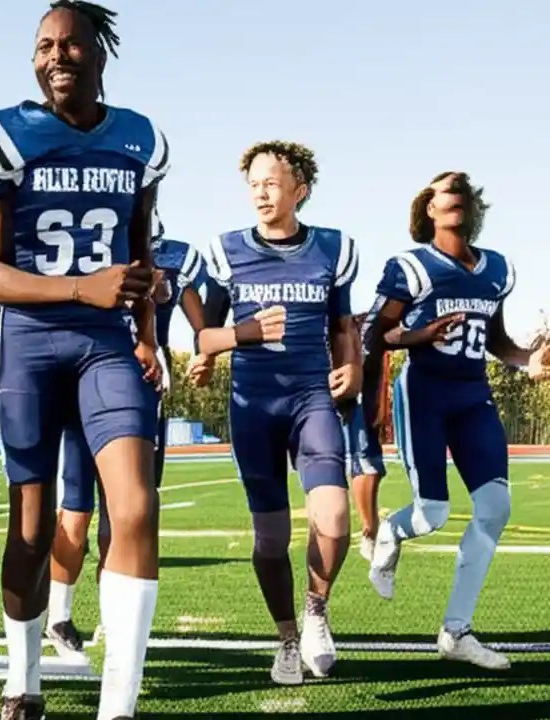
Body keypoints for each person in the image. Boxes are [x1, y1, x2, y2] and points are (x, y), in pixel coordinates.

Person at [0, 2, 169, 718]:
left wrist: (147, 326)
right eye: (44, 45)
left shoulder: (139, 137)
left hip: (107, 345)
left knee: (135, 507)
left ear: (101, 54)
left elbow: (140, 247)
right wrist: (83, 285)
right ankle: (22, 680)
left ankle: (120, 706)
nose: (56, 56)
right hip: (28, 343)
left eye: (71, 44)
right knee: (31, 526)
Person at [364, 171, 549, 670]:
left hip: (472, 396)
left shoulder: (495, 270)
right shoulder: (412, 267)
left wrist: (526, 360)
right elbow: (377, 334)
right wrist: (420, 336)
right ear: (429, 207)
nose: (456, 197)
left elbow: (496, 340)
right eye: (447, 190)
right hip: (424, 392)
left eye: (463, 191)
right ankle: (390, 532)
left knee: (495, 506)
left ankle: (457, 631)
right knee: (433, 515)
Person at [197, 140, 360, 685]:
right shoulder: (227, 250)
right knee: (270, 539)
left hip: (310, 397)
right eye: (254, 184)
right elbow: (205, 333)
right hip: (253, 404)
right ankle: (287, 637)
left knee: (334, 515)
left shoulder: (332, 248)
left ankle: (317, 609)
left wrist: (352, 367)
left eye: (272, 182)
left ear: (300, 190)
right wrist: (224, 345)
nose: (261, 193)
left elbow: (343, 326)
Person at [44, 205, 207, 660]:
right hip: (87, 383)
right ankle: (58, 614)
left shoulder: (177, 255)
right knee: (75, 506)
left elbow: (202, 325)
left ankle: (114, 621)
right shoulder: (83, 247)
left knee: (128, 513)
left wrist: (205, 351)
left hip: (144, 389)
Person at [345, 312, 388, 561]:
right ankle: (369, 531)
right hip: (352, 404)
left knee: (372, 467)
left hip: (365, 401)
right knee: (365, 465)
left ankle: (371, 527)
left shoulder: (372, 330)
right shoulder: (356, 331)